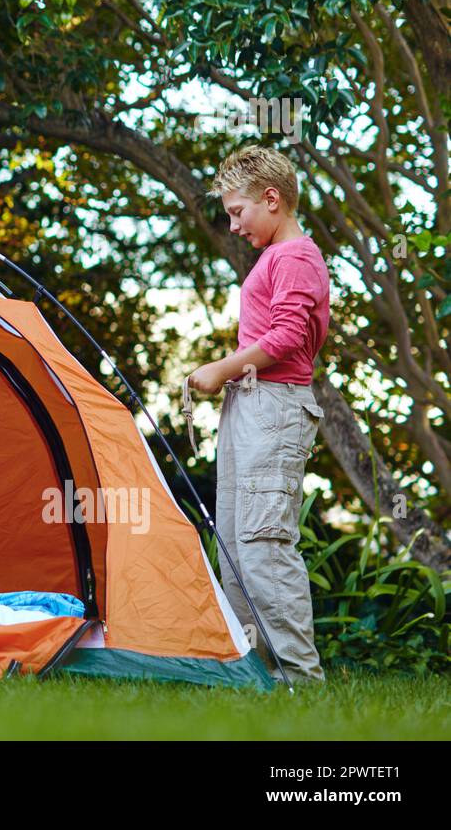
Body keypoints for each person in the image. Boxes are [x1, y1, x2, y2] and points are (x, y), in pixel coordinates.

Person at [187, 145, 330, 685]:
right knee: (236, 544)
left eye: (237, 211)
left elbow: (288, 336)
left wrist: (220, 369)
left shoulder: (295, 256)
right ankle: (260, 675)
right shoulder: (276, 258)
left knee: (264, 544)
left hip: (274, 408)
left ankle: (300, 679)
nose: (233, 225)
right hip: (251, 407)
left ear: (272, 199)